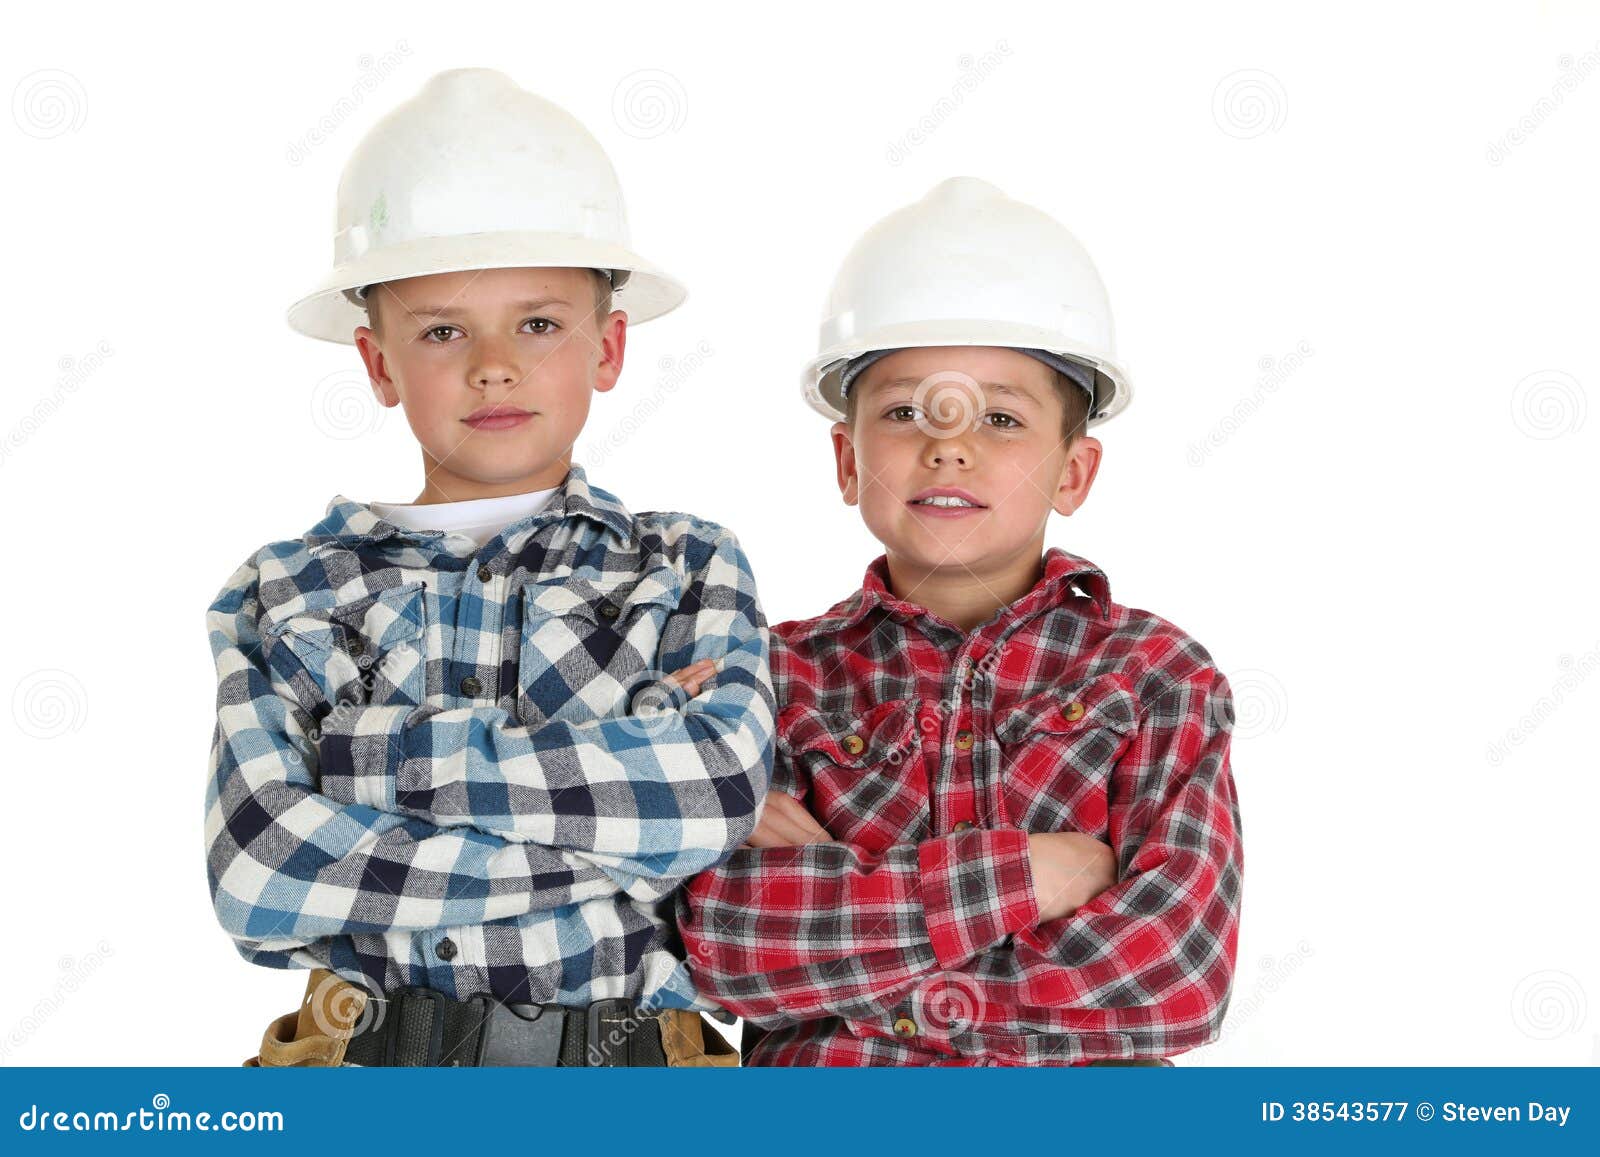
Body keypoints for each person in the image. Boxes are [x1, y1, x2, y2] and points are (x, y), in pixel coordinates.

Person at [205, 68, 771, 1068]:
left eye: (539, 322)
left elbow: (712, 798)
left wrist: (368, 762)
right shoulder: (288, 589)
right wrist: (618, 849)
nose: (493, 363)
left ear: (610, 345)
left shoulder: (683, 564)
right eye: (441, 330)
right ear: (378, 363)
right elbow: (263, 871)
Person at [678, 178, 1242, 1067]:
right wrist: (1031, 877)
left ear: (1073, 472)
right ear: (846, 457)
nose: (949, 445)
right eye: (904, 411)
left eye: (1003, 417)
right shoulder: (769, 677)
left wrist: (847, 951)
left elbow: (1173, 975)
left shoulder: (1156, 676)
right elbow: (728, 945)